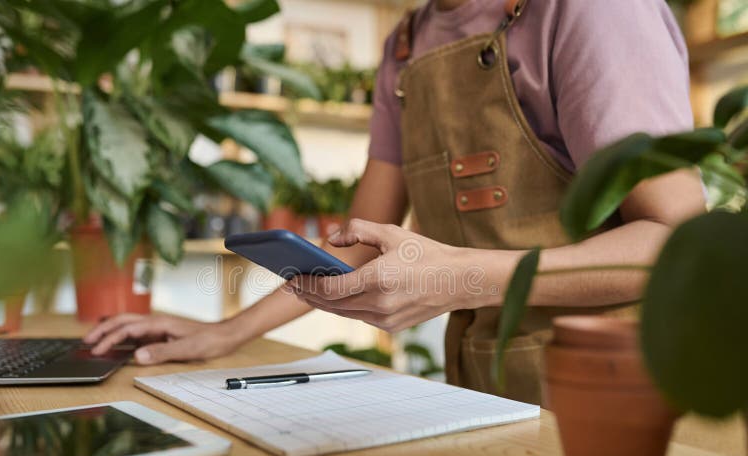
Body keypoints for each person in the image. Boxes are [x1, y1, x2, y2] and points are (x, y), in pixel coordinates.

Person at [85, 0, 704, 404]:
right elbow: (355, 248)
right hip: (483, 389)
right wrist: (227, 332)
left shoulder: (594, 12)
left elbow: (677, 246)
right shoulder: (406, 45)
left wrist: (463, 278)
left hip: (622, 392)